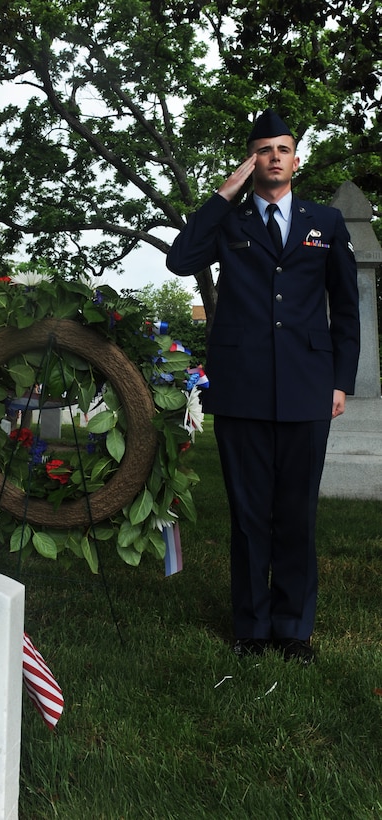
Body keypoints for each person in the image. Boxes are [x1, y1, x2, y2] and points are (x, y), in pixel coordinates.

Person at [166, 109, 360, 663]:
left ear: (296, 160)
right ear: (251, 161)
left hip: (307, 384)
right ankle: (251, 626)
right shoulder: (230, 221)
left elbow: (346, 309)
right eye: (263, 150)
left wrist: (340, 381)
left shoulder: (327, 222)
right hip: (242, 384)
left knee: (297, 513)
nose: (274, 157)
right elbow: (180, 259)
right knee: (250, 514)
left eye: (282, 149)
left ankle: (294, 628)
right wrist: (224, 194)